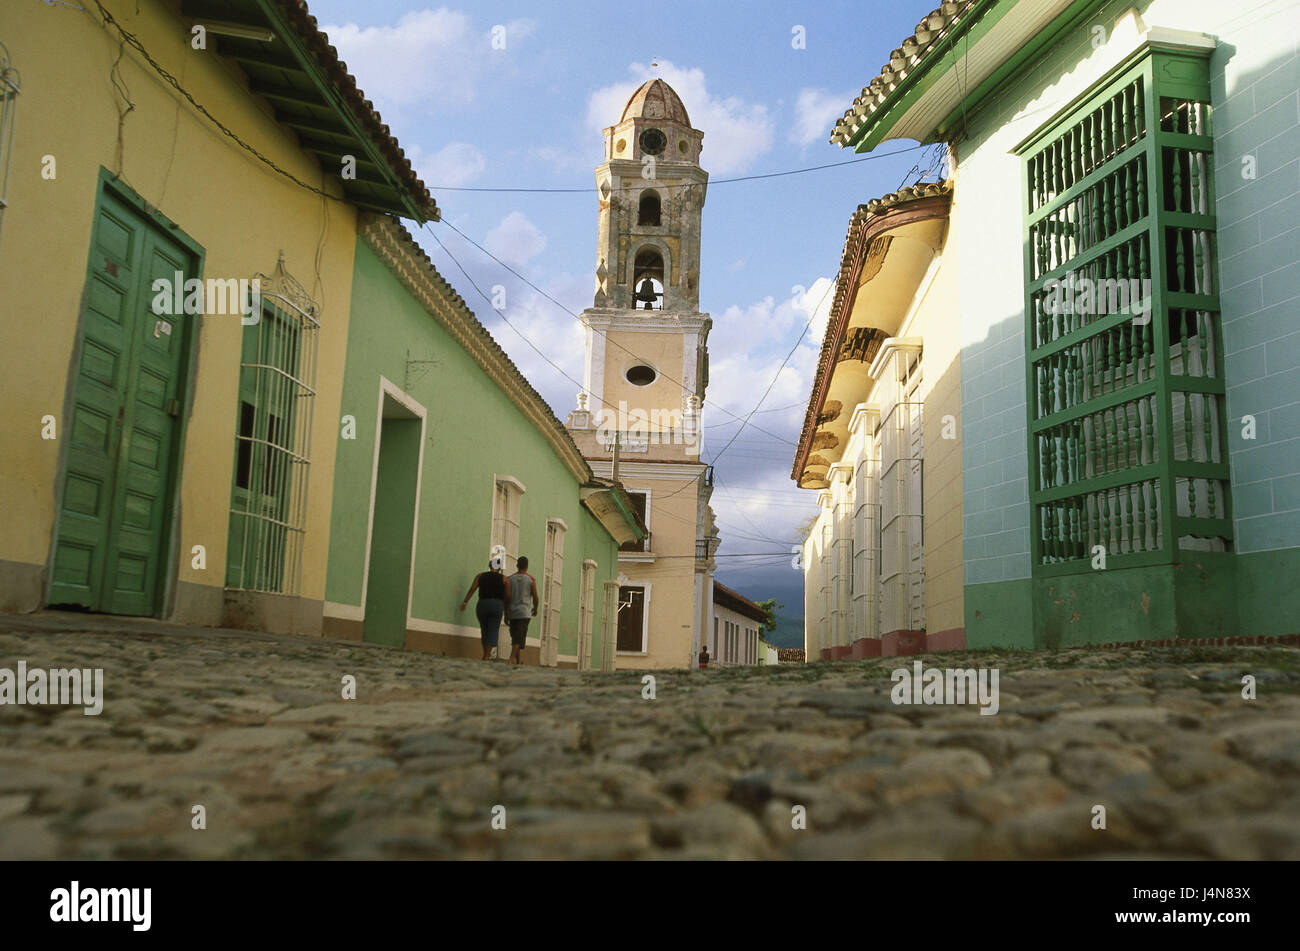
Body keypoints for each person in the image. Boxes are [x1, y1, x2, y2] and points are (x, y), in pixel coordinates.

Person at [460, 557, 507, 660]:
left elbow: (472, 589)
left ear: (490, 565)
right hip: (496, 605)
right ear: (499, 568)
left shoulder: (480, 576)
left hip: (483, 604)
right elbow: (508, 595)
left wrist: (465, 602)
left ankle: (485, 654)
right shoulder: (504, 579)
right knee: (493, 629)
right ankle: (486, 655)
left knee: (484, 629)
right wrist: (507, 610)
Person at [505, 556, 539, 665]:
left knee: (515, 637)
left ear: (517, 565)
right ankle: (511, 659)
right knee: (518, 638)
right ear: (527, 566)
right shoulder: (531, 580)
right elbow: (535, 596)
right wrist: (536, 608)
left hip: (513, 612)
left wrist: (506, 613)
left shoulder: (510, 579)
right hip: (524, 612)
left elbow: (508, 597)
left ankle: (518, 661)